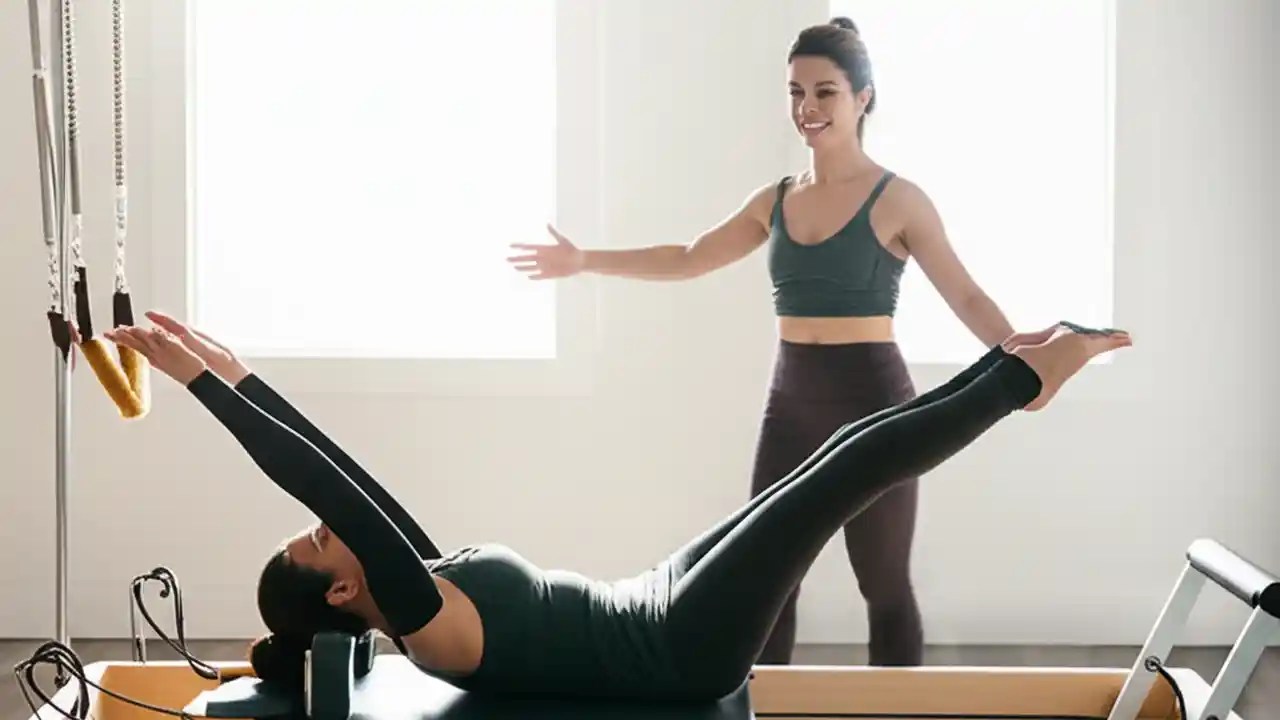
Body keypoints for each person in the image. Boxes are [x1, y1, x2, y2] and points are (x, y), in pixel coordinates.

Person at [105, 311, 1128, 702]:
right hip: (682, 645)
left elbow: (344, 474)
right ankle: (1024, 382)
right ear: (339, 586)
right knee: (835, 481)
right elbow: (325, 489)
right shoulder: (425, 631)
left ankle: (1013, 362)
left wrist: (237, 376)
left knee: (821, 457)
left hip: (655, 593)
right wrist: (199, 393)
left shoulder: (413, 576)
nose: (335, 523)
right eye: (321, 540)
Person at [506, 17, 1016, 666]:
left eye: (825, 92)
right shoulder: (774, 201)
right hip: (791, 405)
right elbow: (688, 257)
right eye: (795, 91)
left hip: (876, 402)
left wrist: (1022, 356)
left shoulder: (900, 200)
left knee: (882, 584)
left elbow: (967, 296)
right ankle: (758, 704)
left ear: (863, 97)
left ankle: (898, 709)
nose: (807, 107)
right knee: (764, 578)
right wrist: (584, 261)